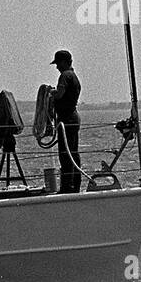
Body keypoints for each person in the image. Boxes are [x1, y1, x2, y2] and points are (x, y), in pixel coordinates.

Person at [50, 50, 82, 193]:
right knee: (73, 152)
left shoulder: (64, 76)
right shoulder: (73, 76)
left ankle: (66, 187)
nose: (57, 67)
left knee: (65, 154)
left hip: (67, 120)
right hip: (73, 118)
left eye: (58, 63)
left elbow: (60, 94)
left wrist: (51, 93)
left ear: (64, 62)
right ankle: (75, 184)